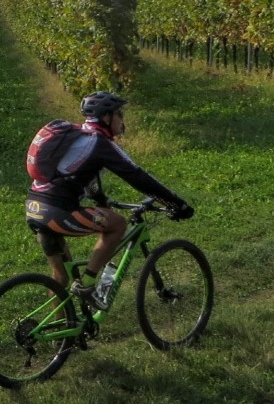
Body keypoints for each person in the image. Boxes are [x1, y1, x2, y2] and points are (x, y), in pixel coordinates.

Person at [25, 91, 193, 310]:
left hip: (34, 209)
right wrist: (175, 203)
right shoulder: (99, 143)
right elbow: (137, 176)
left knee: (60, 278)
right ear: (106, 117)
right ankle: (87, 284)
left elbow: (73, 175)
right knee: (118, 224)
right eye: (119, 114)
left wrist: (100, 198)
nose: (122, 119)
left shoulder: (78, 137)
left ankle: (64, 330)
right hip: (57, 212)